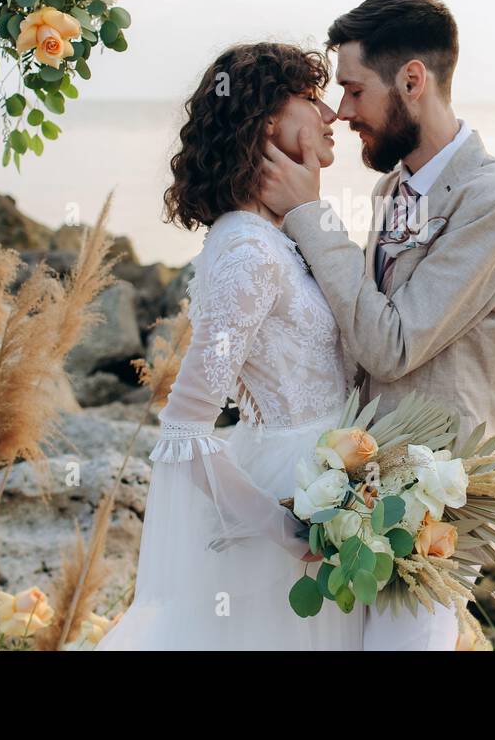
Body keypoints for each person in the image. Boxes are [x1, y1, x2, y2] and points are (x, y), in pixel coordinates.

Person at [259, 0, 495, 650]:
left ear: (412, 79)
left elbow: (393, 344)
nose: (342, 111)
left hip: (437, 500)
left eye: (354, 90)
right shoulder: (394, 187)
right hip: (366, 486)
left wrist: (309, 217)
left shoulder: (492, 200)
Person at [97, 42, 362, 650]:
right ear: (268, 118)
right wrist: (290, 528)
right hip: (292, 496)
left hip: (327, 474)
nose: (331, 116)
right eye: (310, 99)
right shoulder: (247, 249)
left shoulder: (276, 237)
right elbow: (185, 430)